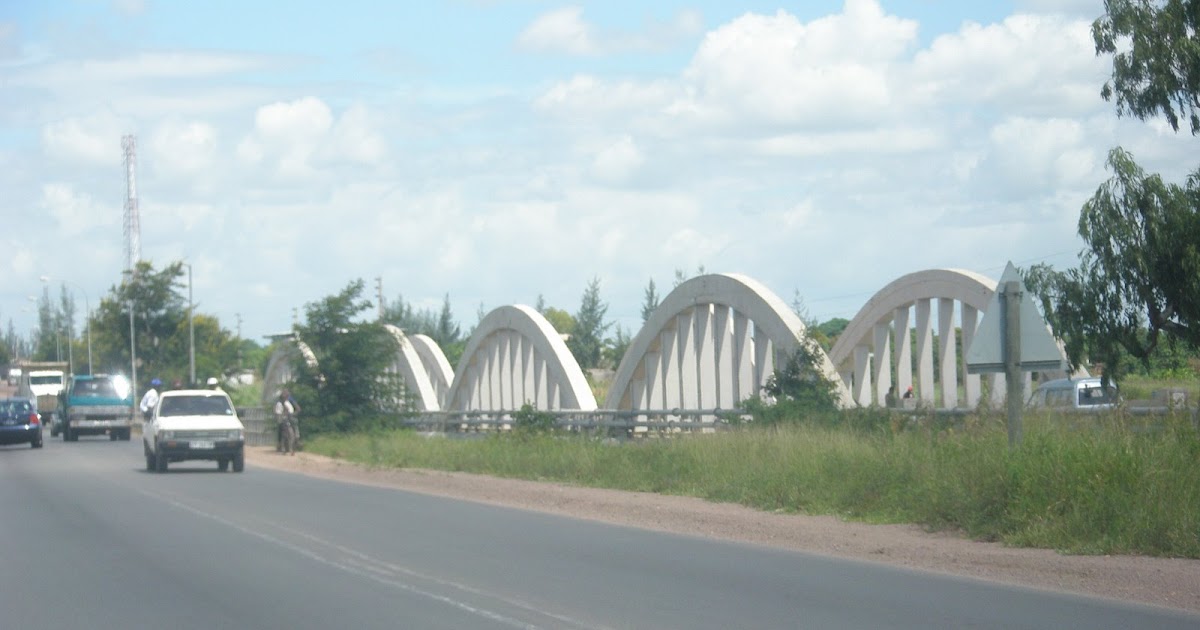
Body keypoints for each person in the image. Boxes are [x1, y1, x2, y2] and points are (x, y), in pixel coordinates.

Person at [274, 389, 297, 455]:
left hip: (290, 418)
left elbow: (294, 410)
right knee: (284, 431)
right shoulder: (279, 404)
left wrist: (292, 414)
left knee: (294, 432)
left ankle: (294, 446)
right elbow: (278, 413)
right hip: (283, 419)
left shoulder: (289, 402)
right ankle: (282, 445)